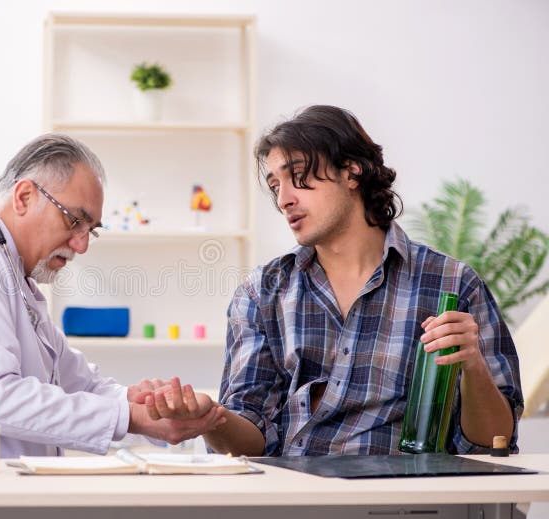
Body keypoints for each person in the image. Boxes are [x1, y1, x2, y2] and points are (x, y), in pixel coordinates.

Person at [145, 105, 523, 457]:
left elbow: (496, 442)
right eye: (275, 186)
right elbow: (251, 442)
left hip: (404, 496)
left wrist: (473, 366)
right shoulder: (261, 293)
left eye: (297, 176)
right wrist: (210, 418)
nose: (284, 199)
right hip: (293, 494)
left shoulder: (452, 283)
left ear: (351, 172)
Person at [0, 133, 225, 457]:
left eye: (91, 230)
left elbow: (80, 383)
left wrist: (142, 402)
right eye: (74, 221)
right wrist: (131, 417)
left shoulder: (18, 280)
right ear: (24, 196)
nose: (82, 245)